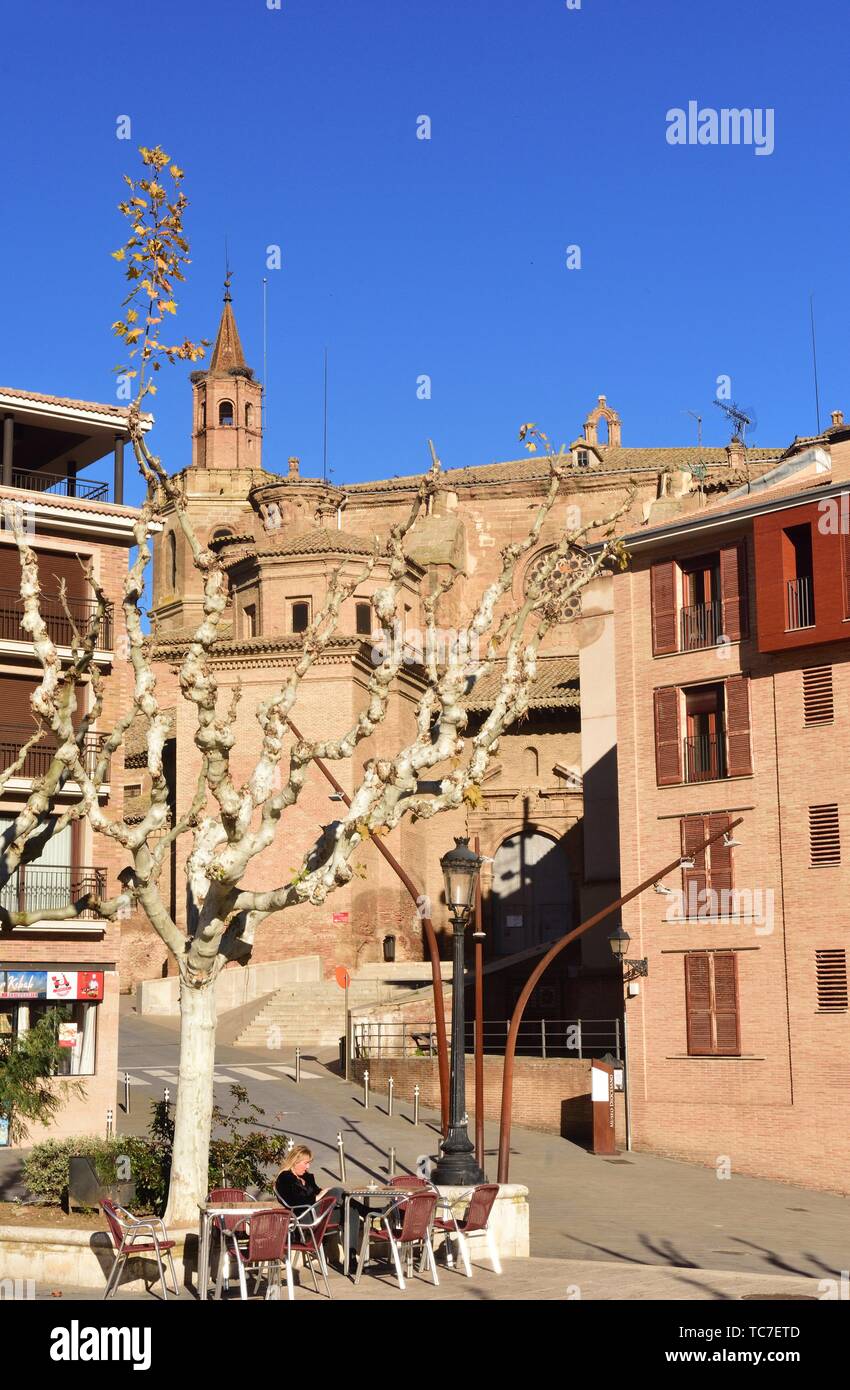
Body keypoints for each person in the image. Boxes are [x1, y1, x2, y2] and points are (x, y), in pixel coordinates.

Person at [274, 1145, 361, 1272]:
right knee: (338, 1191)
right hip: (303, 1217)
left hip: (318, 1214)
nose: (308, 1167)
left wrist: (323, 1192)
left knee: (351, 1212)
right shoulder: (285, 1178)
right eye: (306, 1163)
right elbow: (292, 1202)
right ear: (295, 1162)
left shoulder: (307, 1177)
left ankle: (351, 1262)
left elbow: (318, 1191)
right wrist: (318, 1197)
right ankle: (368, 1211)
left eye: (309, 1163)